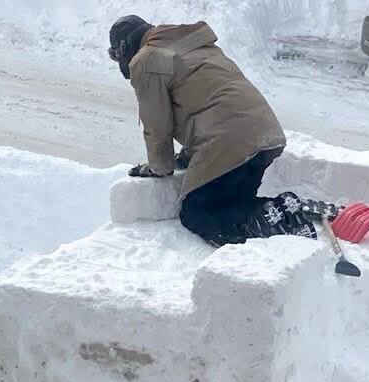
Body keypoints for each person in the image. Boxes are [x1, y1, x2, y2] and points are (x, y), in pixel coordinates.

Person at [108, 15, 329, 246]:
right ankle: (287, 210)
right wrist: (186, 158)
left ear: (125, 47)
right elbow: (208, 107)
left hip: (230, 142)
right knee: (232, 203)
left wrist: (159, 167)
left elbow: (157, 125)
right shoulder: (193, 45)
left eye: (116, 55)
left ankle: (277, 223)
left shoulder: (147, 60)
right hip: (265, 135)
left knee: (198, 213)